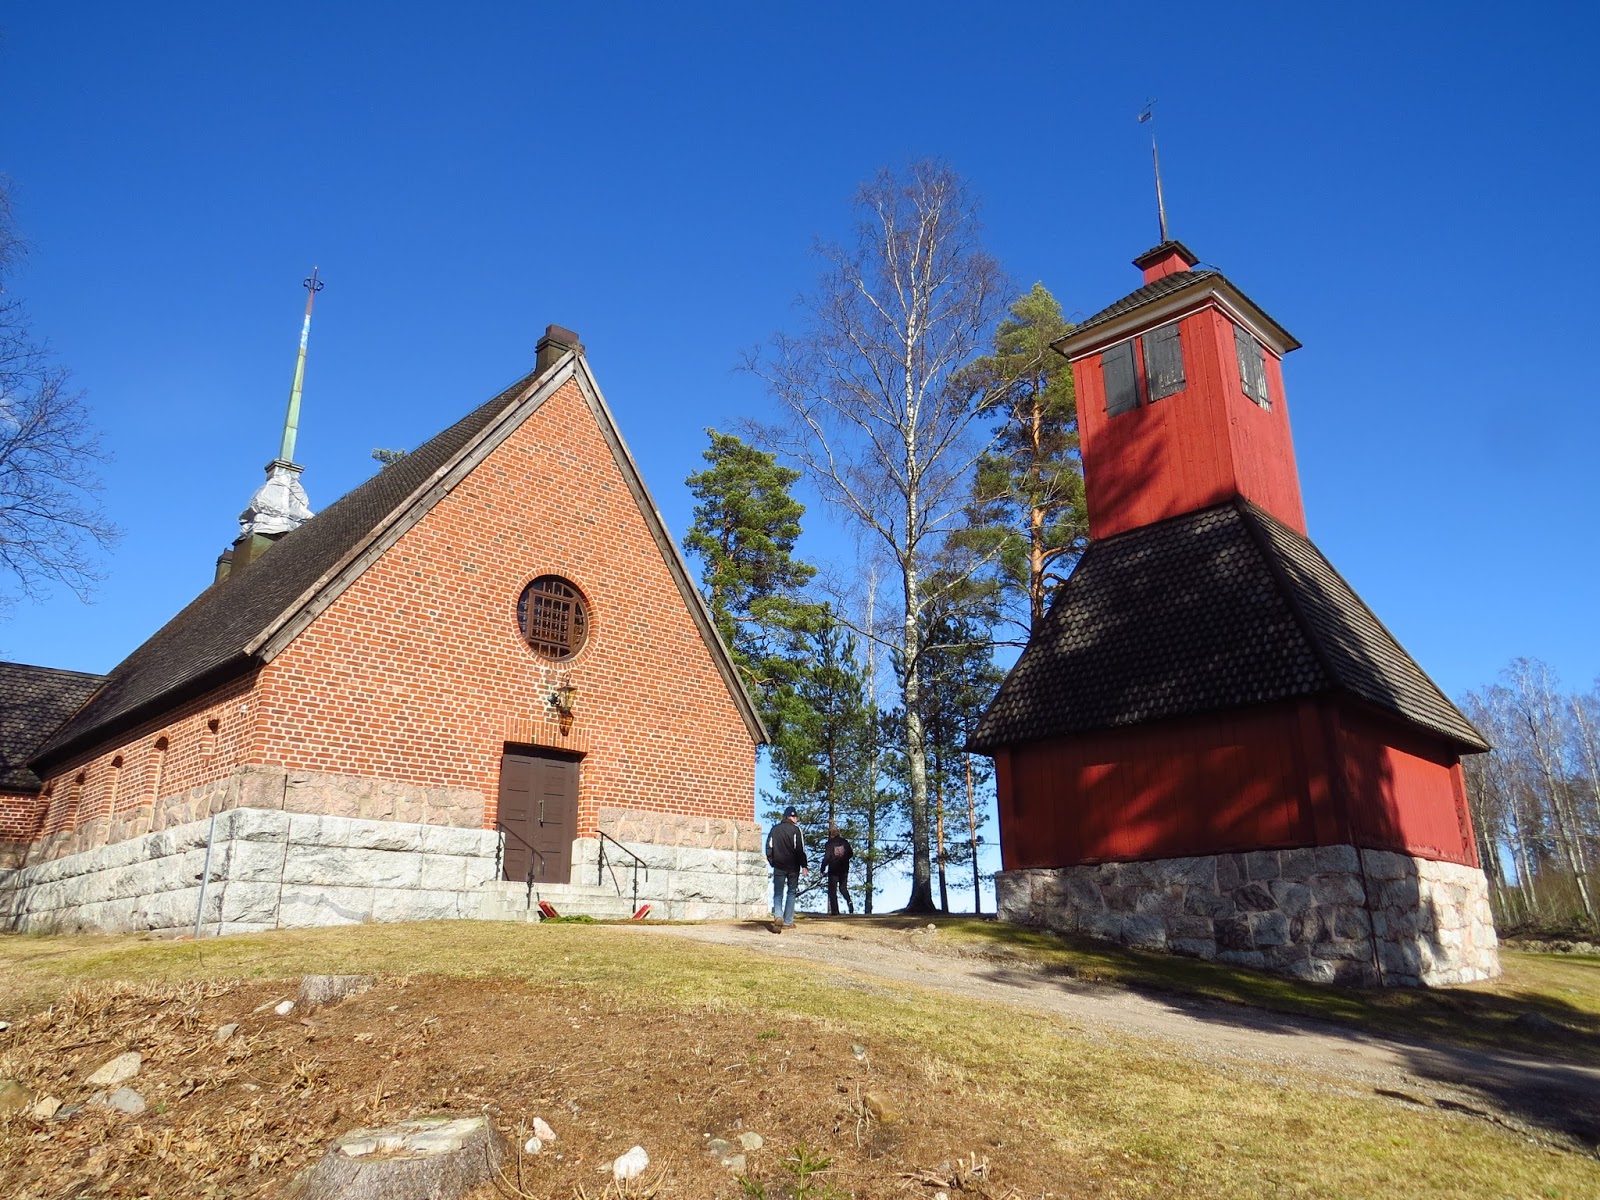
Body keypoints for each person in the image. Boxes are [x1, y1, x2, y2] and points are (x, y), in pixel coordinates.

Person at [764, 805, 807, 932]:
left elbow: (769, 848)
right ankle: (788, 921)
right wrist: (804, 865)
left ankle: (778, 915)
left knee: (778, 893)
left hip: (779, 866)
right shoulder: (796, 830)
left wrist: (773, 862)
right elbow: (800, 849)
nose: (796, 819)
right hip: (793, 866)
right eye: (795, 817)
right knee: (791, 892)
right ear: (791, 817)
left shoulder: (774, 830)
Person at [822, 823, 854, 915]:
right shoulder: (845, 842)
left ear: (831, 834)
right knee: (843, 887)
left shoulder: (829, 844)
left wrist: (823, 868)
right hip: (844, 868)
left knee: (832, 890)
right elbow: (851, 853)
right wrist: (844, 858)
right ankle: (849, 901)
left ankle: (835, 911)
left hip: (833, 869)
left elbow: (827, 857)